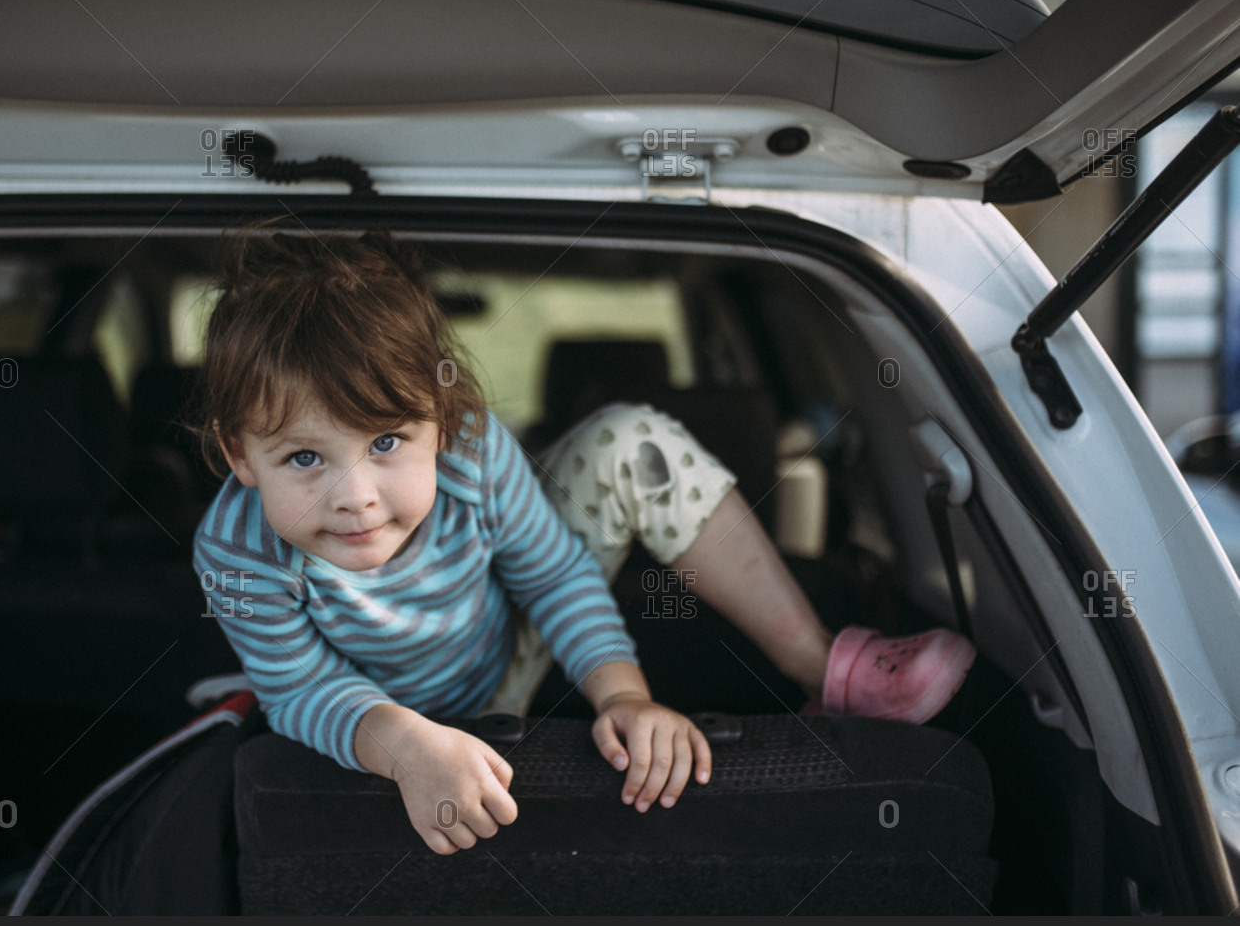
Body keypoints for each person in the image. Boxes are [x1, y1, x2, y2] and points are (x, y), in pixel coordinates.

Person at [191, 227, 975, 856]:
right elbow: (299, 690)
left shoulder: (472, 455)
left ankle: (823, 664)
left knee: (631, 440)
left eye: (388, 442)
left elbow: (556, 576)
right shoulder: (236, 550)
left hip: (510, 658)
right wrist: (404, 748)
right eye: (303, 457)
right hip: (370, 711)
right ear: (237, 456)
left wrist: (623, 694)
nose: (355, 494)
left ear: (440, 417)